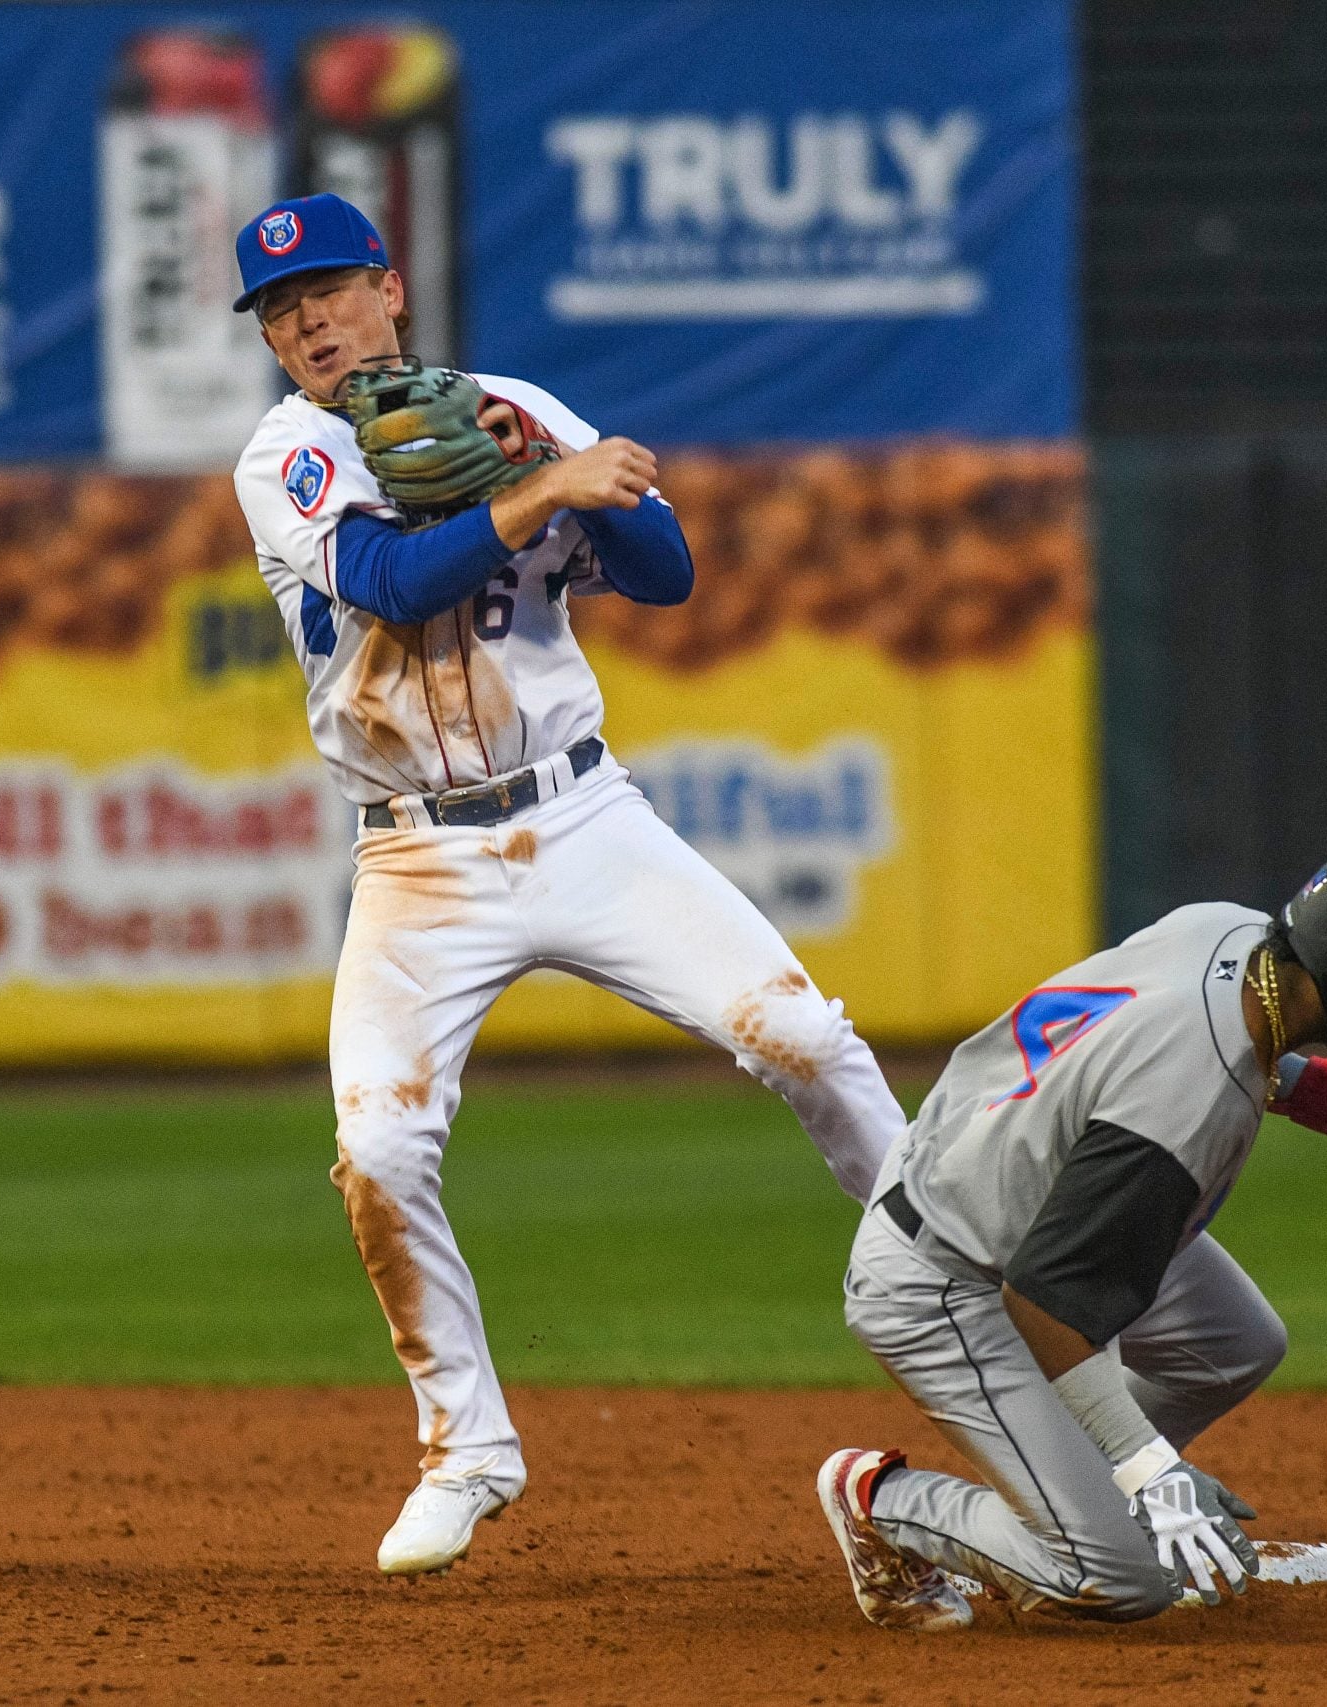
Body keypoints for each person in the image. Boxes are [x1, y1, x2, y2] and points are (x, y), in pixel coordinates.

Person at [227, 191, 913, 1576]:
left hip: (583, 814)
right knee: (380, 1149)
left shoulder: (509, 407)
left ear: (391, 290)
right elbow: (388, 576)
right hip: (416, 857)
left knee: (806, 1038)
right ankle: (468, 1448)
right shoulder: (287, 456)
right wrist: (533, 490)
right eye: (280, 308)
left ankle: (956, 1258)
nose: (308, 322)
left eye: (333, 289)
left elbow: (663, 570)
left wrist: (553, 449)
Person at [815, 841, 1327, 1629]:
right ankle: (883, 1504)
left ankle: (1072, 1495)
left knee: (1234, 1341)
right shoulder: (1189, 1102)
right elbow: (1045, 1304)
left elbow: (1150, 1053)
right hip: (947, 1275)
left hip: (1017, 1179)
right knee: (1116, 1575)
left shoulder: (1236, 936)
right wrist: (1150, 1470)